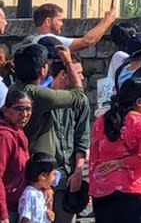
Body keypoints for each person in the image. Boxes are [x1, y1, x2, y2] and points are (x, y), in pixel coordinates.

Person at [89, 78, 141, 223]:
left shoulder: (101, 121)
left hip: (103, 186)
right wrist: (121, 163)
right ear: (139, 101)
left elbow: (94, 155)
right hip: (133, 187)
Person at [10, 44, 87, 159]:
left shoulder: (14, 88)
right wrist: (68, 63)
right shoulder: (38, 95)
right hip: (38, 162)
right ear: (42, 70)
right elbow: (79, 96)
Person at [44, 54, 89, 223]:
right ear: (64, 74)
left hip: (68, 177)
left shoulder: (80, 101)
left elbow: (82, 138)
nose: (82, 78)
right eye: (78, 73)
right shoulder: (43, 98)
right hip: (43, 176)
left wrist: (78, 171)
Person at [30, 2, 118, 53]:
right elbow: (86, 42)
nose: (62, 24)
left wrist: (105, 21)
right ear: (48, 21)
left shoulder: (36, 40)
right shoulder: (47, 40)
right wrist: (108, 19)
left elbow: (91, 42)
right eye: (59, 20)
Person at [0, 89, 33, 223]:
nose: (25, 114)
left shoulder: (19, 131)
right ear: (6, 110)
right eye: (19, 109)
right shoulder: (5, 136)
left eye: (28, 109)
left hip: (17, 205)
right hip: (7, 208)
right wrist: (3, 215)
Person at [19, 153, 56, 223]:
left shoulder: (41, 192)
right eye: (53, 174)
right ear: (43, 176)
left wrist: (51, 214)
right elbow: (25, 219)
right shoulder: (30, 194)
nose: (54, 178)